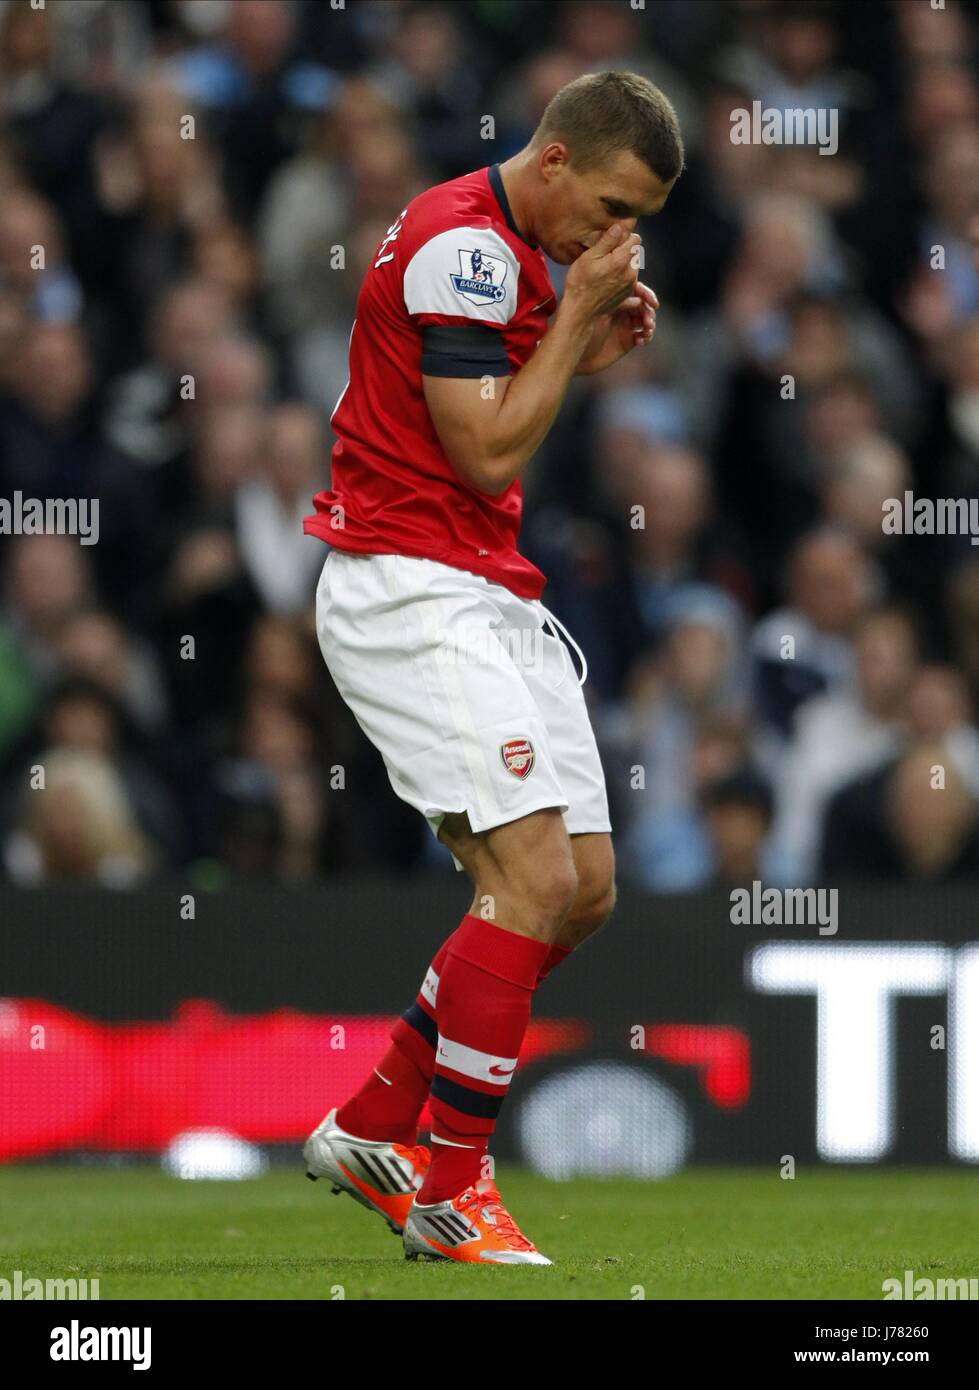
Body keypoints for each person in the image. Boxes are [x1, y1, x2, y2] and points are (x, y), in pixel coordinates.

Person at [301, 71, 682, 1264]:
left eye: (638, 223)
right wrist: (573, 321)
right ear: (557, 157)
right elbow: (482, 453)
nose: (615, 238)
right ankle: (451, 1186)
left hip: (481, 587)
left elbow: (499, 407)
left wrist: (583, 342)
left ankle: (373, 1122)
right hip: (409, 589)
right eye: (612, 205)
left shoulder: (514, 249)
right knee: (524, 877)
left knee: (582, 883)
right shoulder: (463, 248)